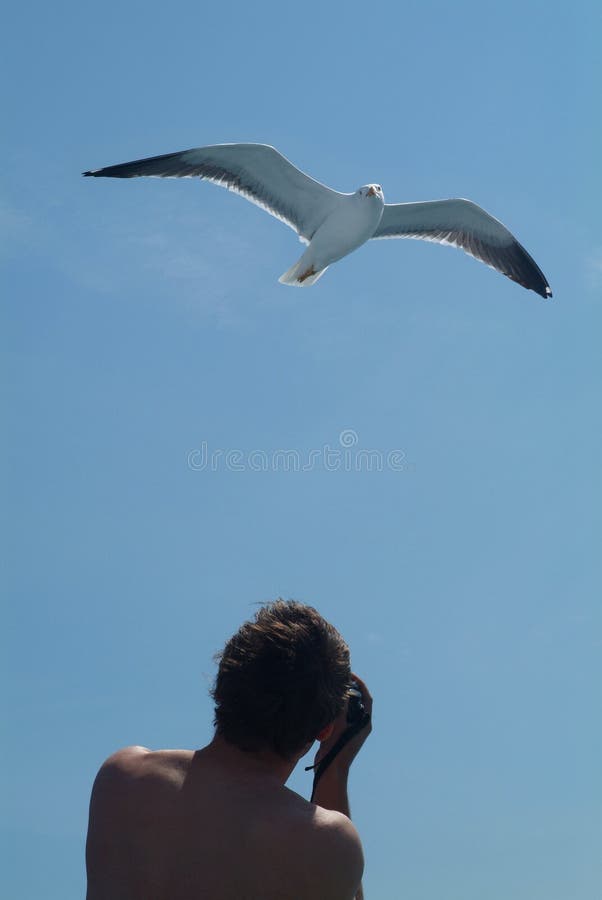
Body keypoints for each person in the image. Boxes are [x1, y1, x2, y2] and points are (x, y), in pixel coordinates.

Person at [85, 599, 373, 899]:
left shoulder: (122, 778)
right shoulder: (326, 844)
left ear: (222, 684)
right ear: (324, 730)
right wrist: (333, 768)